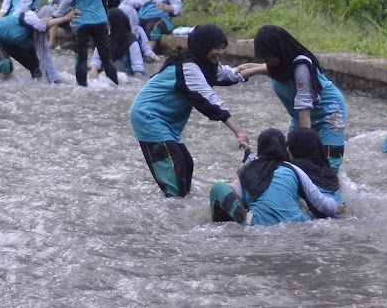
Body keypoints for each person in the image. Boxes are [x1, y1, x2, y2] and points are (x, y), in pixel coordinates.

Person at [129, 24, 258, 198]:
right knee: (175, 170)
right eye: (215, 48)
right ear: (203, 46)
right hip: (148, 116)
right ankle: (173, 215)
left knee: (186, 164)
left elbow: (230, 74)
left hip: (166, 121)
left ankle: (179, 207)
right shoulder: (188, 67)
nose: (220, 52)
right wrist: (238, 132)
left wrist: (264, 68)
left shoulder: (204, 64)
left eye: (222, 48)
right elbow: (211, 101)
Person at [254, 25, 349, 170]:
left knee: (325, 166)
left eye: (268, 57)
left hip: (328, 114)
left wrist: (306, 150)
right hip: (301, 116)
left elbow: (304, 105)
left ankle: (336, 190)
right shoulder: (279, 65)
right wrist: (245, 71)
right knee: (290, 162)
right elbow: (265, 68)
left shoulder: (301, 66)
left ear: (279, 51)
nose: (265, 61)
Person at [209, 128, 344, 226]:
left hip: (258, 226)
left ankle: (219, 227)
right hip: (298, 225)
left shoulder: (245, 172)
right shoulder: (293, 169)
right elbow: (319, 202)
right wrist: (339, 207)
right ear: (283, 148)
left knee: (219, 187)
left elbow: (240, 204)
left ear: (260, 147)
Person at [119, 0, 182, 65]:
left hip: (161, 18)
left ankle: (150, 53)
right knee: (134, 26)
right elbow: (132, 2)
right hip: (143, 15)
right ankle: (130, 52)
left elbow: (178, 6)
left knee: (152, 27)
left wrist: (166, 7)